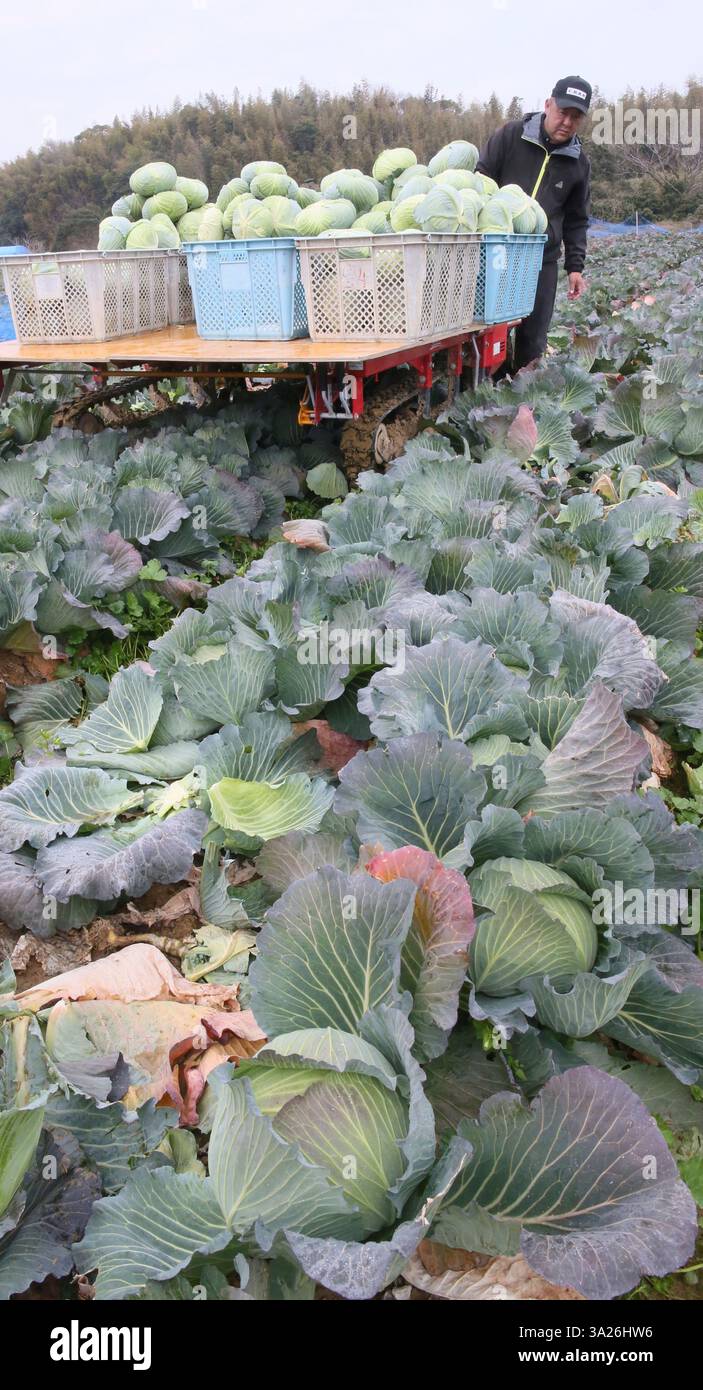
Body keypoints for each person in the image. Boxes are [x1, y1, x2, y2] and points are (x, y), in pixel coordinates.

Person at [477, 76, 592, 372]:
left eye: (575, 117)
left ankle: (521, 402)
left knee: (532, 340)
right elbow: (481, 180)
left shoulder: (578, 163)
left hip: (543, 260)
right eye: (562, 112)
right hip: (496, 257)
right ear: (547, 105)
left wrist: (576, 267)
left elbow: (577, 219)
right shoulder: (511, 135)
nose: (566, 121)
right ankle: (489, 401)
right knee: (491, 335)